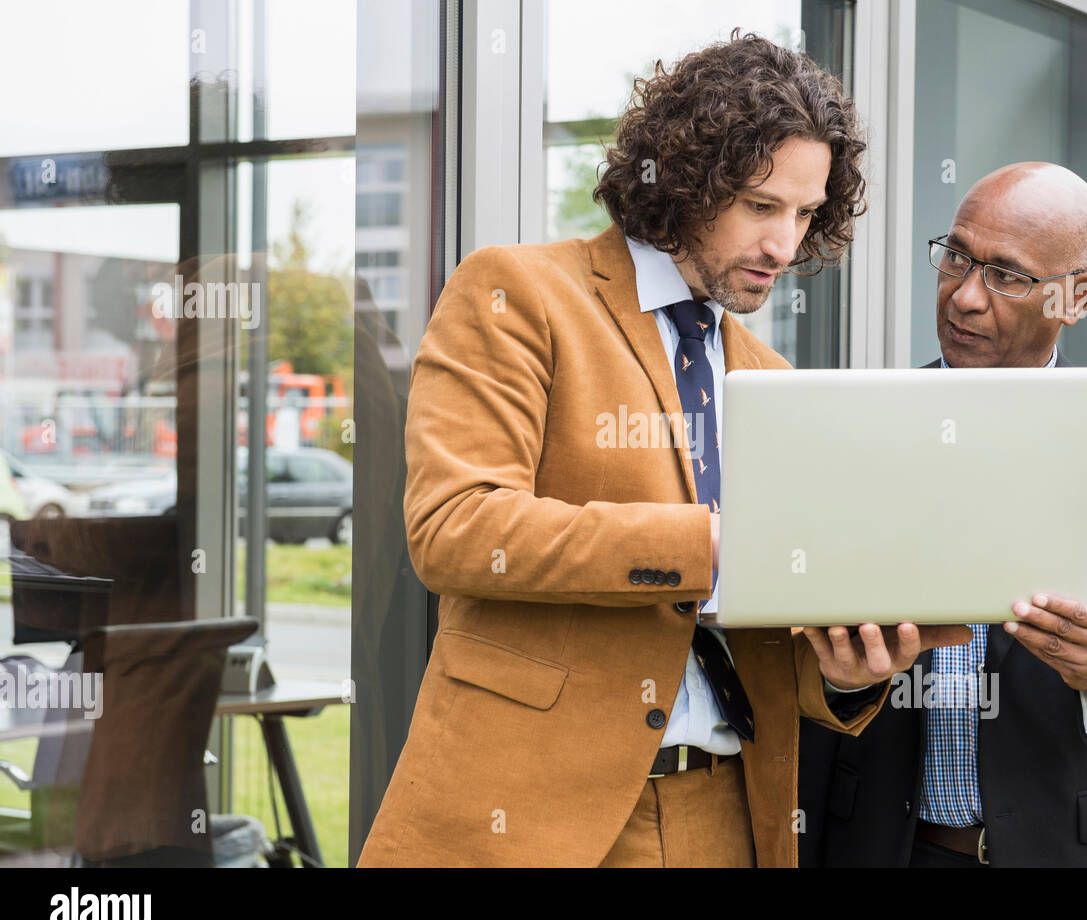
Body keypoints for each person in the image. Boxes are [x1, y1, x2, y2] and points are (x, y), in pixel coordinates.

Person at [357, 32, 969, 868]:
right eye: (760, 205)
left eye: (803, 213)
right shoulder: (518, 292)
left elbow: (756, 637)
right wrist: (715, 548)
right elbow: (456, 527)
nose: (785, 247)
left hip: (724, 814)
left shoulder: (772, 377)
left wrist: (846, 670)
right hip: (526, 815)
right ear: (685, 179)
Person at [798, 162, 1087, 867]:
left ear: (1076, 298)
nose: (963, 297)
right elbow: (808, 641)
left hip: (1074, 846)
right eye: (955, 256)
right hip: (888, 845)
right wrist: (845, 678)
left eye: (1006, 276)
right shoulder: (860, 425)